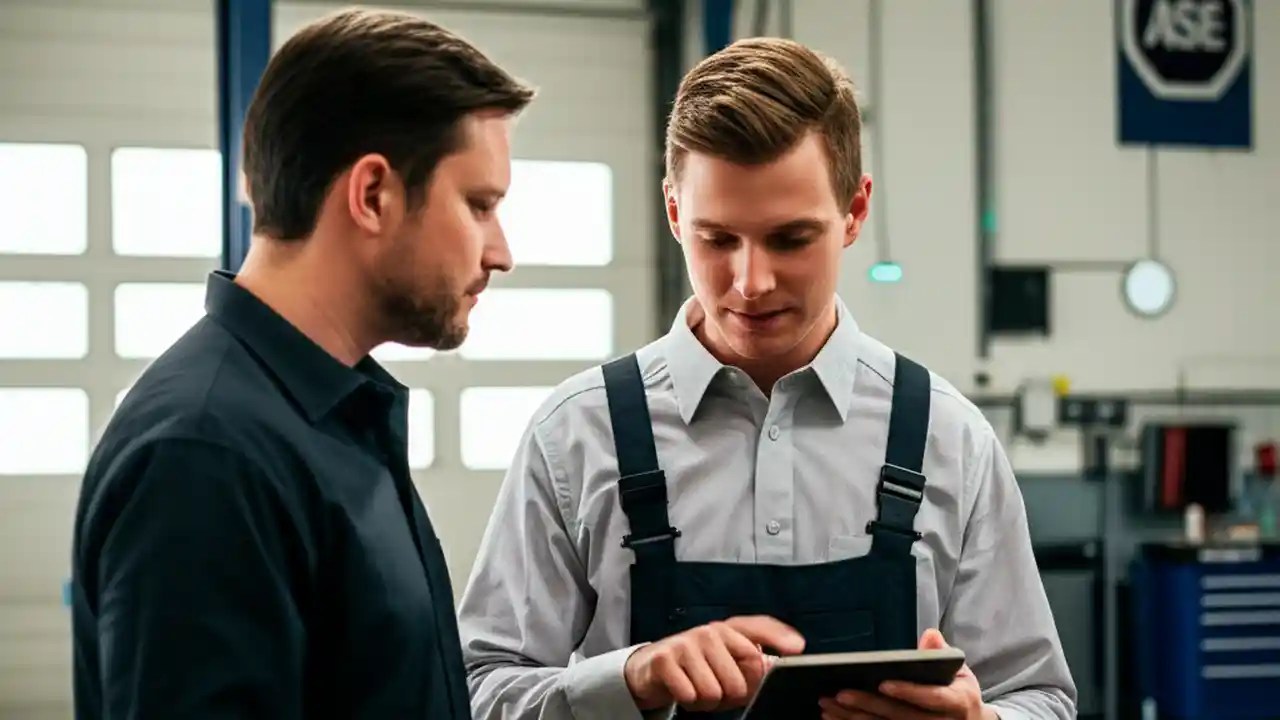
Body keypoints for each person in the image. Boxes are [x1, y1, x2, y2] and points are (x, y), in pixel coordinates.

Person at [458, 36, 1076, 720]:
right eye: (718, 238)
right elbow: (477, 690)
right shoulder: (577, 436)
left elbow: (1039, 695)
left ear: (855, 212)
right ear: (674, 213)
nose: (751, 282)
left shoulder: (949, 439)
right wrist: (628, 680)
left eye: (790, 239)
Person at [70, 8, 534, 719]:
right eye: (479, 205)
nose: (501, 252)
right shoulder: (207, 455)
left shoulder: (329, 419)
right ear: (373, 195)